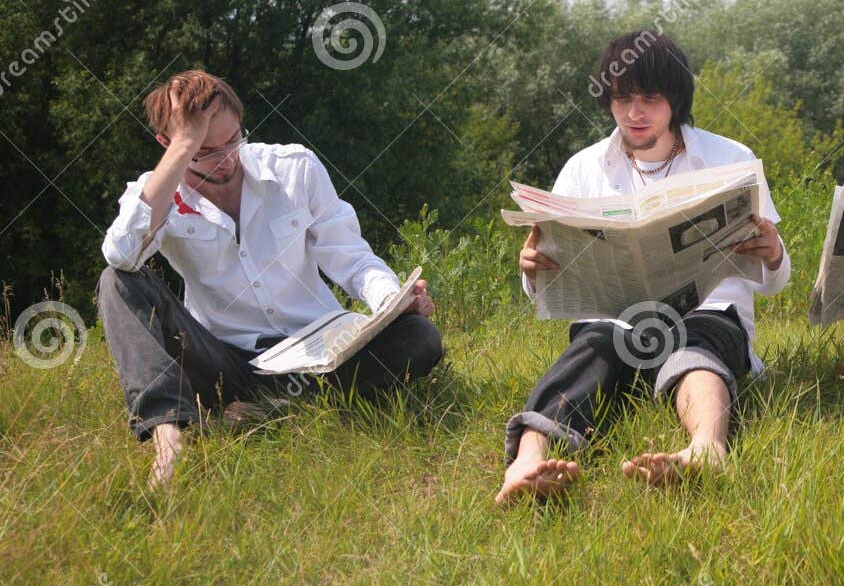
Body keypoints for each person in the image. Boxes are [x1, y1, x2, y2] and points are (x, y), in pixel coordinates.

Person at [100, 71, 442, 489]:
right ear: (167, 144)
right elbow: (121, 256)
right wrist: (183, 150)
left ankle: (271, 409)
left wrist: (393, 300)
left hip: (316, 354)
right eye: (204, 152)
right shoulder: (154, 194)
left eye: (233, 141)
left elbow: (351, 257)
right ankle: (170, 434)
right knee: (116, 282)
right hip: (223, 362)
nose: (226, 160)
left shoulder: (294, 168)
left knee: (419, 337)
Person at [495, 31, 789, 503]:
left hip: (708, 319)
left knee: (695, 337)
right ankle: (528, 460)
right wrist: (533, 271)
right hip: (615, 325)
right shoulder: (583, 168)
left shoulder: (730, 159)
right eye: (622, 99)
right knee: (592, 344)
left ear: (675, 98)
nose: (634, 113)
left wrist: (773, 254)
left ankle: (707, 449)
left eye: (650, 99)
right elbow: (547, 287)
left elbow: (774, 281)